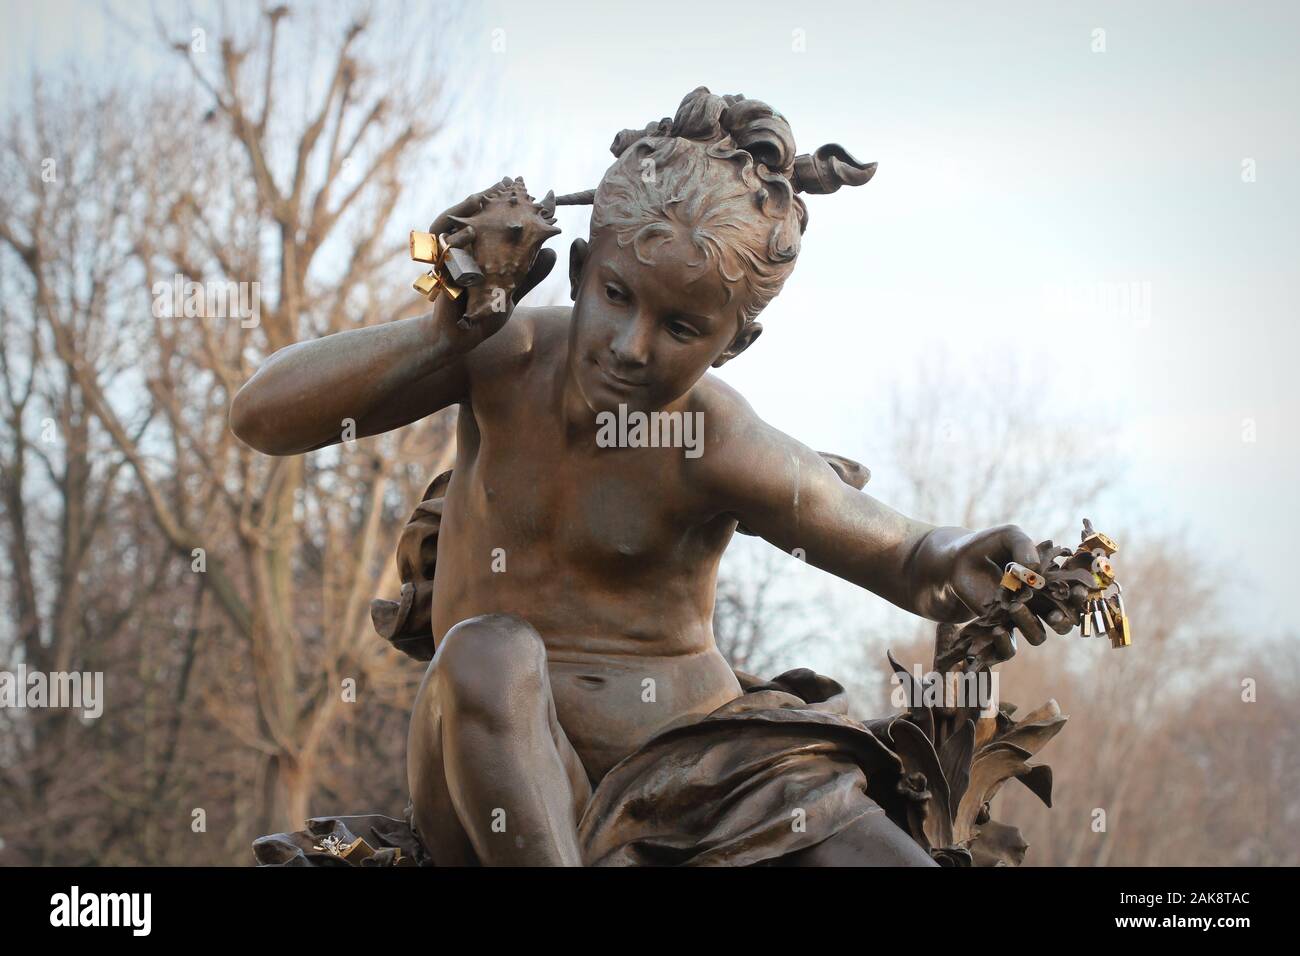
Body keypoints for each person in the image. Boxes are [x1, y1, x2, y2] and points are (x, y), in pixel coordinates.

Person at [231, 87, 1067, 866]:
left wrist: (965, 557)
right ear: (580, 269)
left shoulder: (714, 438)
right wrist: (441, 334)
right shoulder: (502, 358)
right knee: (489, 650)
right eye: (619, 295)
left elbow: (903, 553)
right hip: (490, 777)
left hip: (709, 778)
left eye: (681, 326)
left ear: (732, 346)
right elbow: (261, 417)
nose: (631, 347)